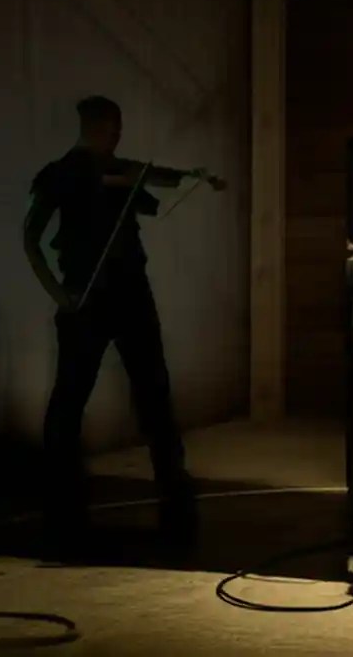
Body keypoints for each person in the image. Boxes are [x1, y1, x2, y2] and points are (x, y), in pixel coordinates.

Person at [23, 95, 225, 552]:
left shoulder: (120, 172)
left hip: (132, 296)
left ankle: (175, 496)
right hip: (87, 300)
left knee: (154, 391)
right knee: (70, 399)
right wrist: (61, 295)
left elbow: (153, 185)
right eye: (114, 129)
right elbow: (30, 237)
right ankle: (61, 502)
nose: (119, 137)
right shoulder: (61, 175)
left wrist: (193, 179)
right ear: (97, 127)